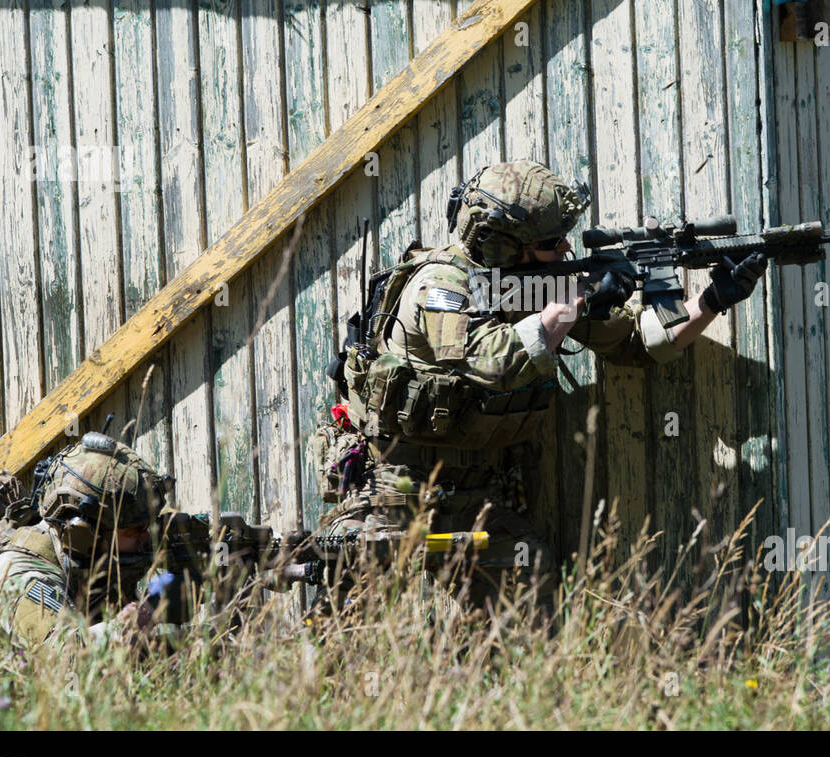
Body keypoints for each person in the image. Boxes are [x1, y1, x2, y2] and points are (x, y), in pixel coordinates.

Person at [311, 160, 767, 609]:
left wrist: (711, 300)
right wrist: (576, 303)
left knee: (528, 605)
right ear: (505, 245)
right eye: (551, 242)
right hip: (394, 490)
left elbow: (637, 343)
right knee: (350, 618)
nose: (567, 248)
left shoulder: (542, 288)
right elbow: (492, 362)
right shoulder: (440, 284)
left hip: (476, 495)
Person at [0, 432, 173, 651]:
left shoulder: (81, 563)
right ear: (84, 532)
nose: (147, 538)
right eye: (135, 530)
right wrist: (141, 616)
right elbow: (65, 659)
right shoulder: (22, 578)